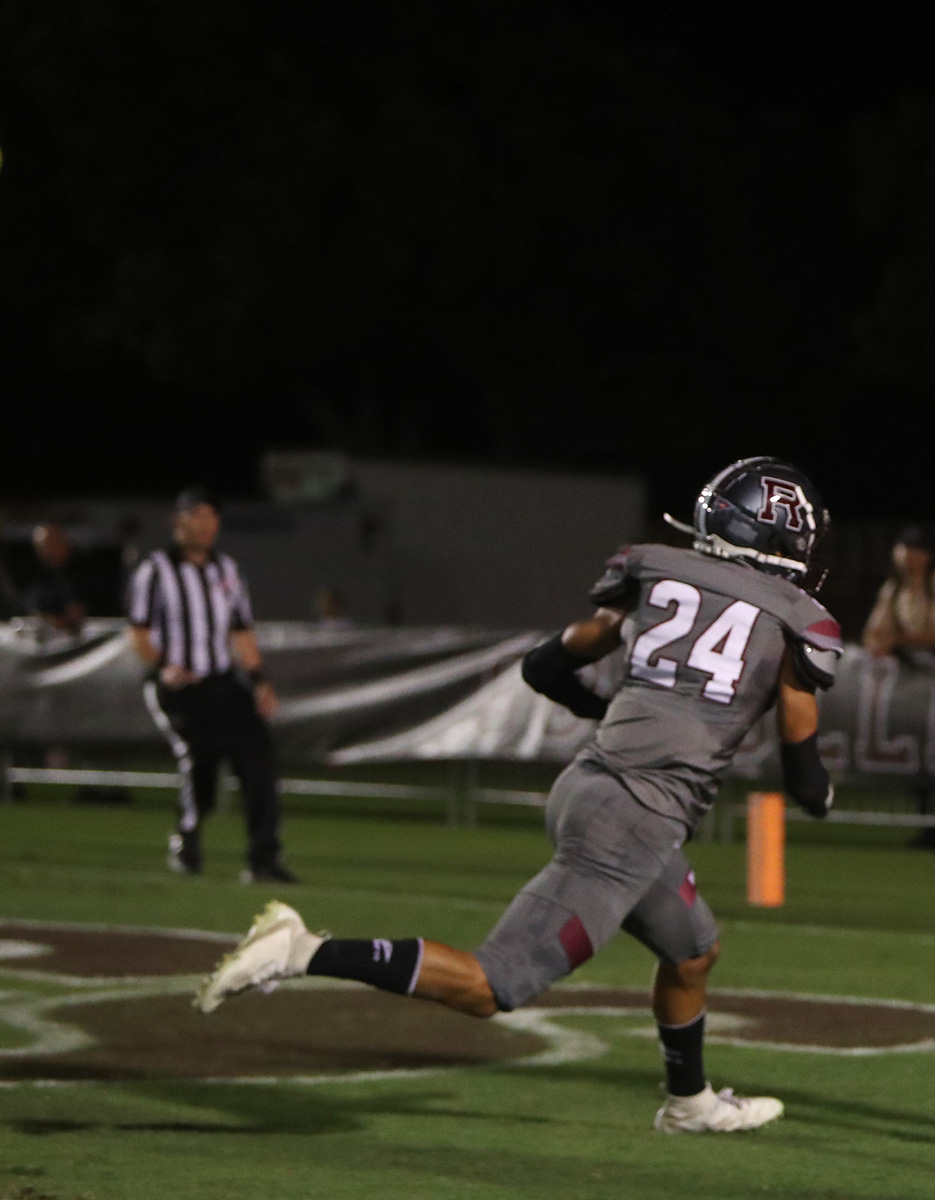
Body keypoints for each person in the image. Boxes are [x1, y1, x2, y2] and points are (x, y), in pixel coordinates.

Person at [195, 457, 843, 1136]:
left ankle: (690, 1104)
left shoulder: (657, 571)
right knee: (492, 985)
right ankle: (299, 951)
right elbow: (800, 762)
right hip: (632, 821)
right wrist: (821, 796)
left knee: (691, 951)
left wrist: (612, 715)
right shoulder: (795, 618)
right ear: (779, 538)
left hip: (589, 791)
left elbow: (546, 665)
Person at [127, 489, 293, 883]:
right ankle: (187, 839)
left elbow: (240, 631)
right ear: (178, 522)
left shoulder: (227, 570)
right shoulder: (155, 569)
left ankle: (263, 859)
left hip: (222, 683)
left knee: (259, 763)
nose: (206, 526)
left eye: (212, 518)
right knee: (199, 760)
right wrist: (165, 665)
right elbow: (137, 632)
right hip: (179, 688)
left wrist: (259, 680)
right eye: (197, 517)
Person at [862, 526, 935, 656]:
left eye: (916, 549)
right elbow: (873, 632)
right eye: (904, 547)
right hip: (908, 663)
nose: (908, 554)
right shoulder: (893, 588)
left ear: (928, 555)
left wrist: (896, 639)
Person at [24, 522, 87, 635]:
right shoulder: (38, 576)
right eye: (41, 548)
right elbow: (34, 608)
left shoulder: (85, 569)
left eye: (51, 544)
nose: (46, 551)